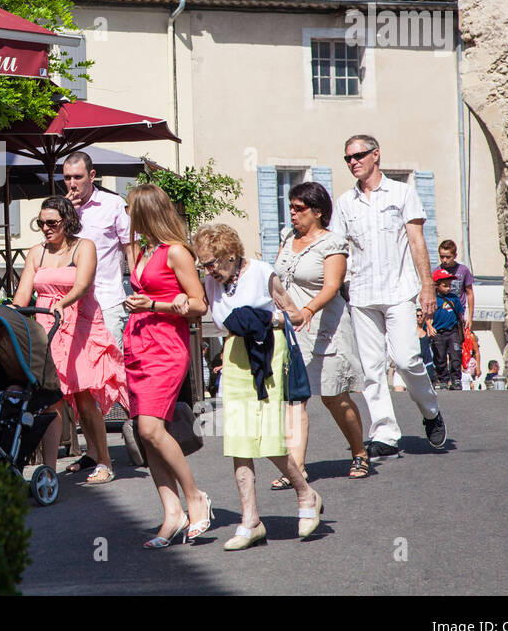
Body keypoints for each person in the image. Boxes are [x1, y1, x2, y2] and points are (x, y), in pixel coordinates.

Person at [194, 223, 323, 549]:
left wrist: (267, 320)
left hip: (267, 351)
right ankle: (250, 519)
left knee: (266, 436)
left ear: (231, 255)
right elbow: (217, 320)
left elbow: (295, 315)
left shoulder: (262, 272)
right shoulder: (211, 283)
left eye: (212, 263)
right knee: (239, 439)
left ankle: (306, 493)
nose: (208, 270)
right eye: (204, 264)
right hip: (236, 353)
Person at [330, 134, 447, 457]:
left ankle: (430, 411)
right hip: (362, 293)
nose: (353, 162)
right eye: (348, 158)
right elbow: (338, 249)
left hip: (399, 290)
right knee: (372, 367)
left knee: (408, 359)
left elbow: (416, 241)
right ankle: (385, 432)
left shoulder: (402, 193)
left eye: (358, 156)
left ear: (376, 155)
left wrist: (428, 286)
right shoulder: (344, 203)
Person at [120, 184, 212, 547]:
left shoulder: (176, 252)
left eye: (131, 209)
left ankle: (194, 497)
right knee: (145, 435)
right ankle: (172, 513)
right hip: (138, 346)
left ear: (146, 211)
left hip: (165, 348)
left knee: (152, 429)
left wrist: (153, 307)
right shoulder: (144, 250)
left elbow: (198, 304)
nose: (127, 216)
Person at [12, 195, 127, 484]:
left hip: (80, 325)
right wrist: (7, 314)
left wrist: (63, 303)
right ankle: (49, 471)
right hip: (48, 329)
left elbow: (83, 284)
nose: (46, 228)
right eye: (41, 223)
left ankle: (104, 461)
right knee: (53, 400)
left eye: (52, 222)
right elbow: (23, 295)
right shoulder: (36, 253)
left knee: (85, 396)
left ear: (68, 221)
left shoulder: (83, 247)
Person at [272, 182, 370, 482]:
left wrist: (308, 310)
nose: (292, 213)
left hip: (325, 327)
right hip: (292, 328)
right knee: (295, 399)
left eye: (299, 208)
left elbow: (331, 285)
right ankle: (297, 469)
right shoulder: (287, 237)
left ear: (318, 212)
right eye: (291, 206)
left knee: (334, 397)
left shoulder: (333, 243)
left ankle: (359, 452)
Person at [62, 152, 134, 350]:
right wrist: (65, 214)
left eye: (78, 177)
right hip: (69, 302)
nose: (72, 183)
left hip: (106, 299)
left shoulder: (113, 204)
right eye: (67, 178)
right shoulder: (60, 209)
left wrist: (138, 289)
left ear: (91, 175)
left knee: (111, 362)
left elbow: (131, 248)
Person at [428, 269, 465, 390]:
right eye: (445, 285)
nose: (448, 288)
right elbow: (428, 316)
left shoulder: (454, 298)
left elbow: (460, 314)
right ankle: (443, 380)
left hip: (452, 331)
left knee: (456, 356)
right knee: (440, 357)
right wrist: (429, 326)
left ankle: (456, 380)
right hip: (439, 333)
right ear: (436, 286)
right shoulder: (433, 300)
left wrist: (462, 328)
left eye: (449, 285)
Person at [437, 239, 475, 333]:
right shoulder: (436, 271)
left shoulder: (463, 270)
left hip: (458, 315)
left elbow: (469, 293)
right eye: (442, 257)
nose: (444, 260)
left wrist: (470, 317)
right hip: (441, 317)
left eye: (448, 257)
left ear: (455, 256)